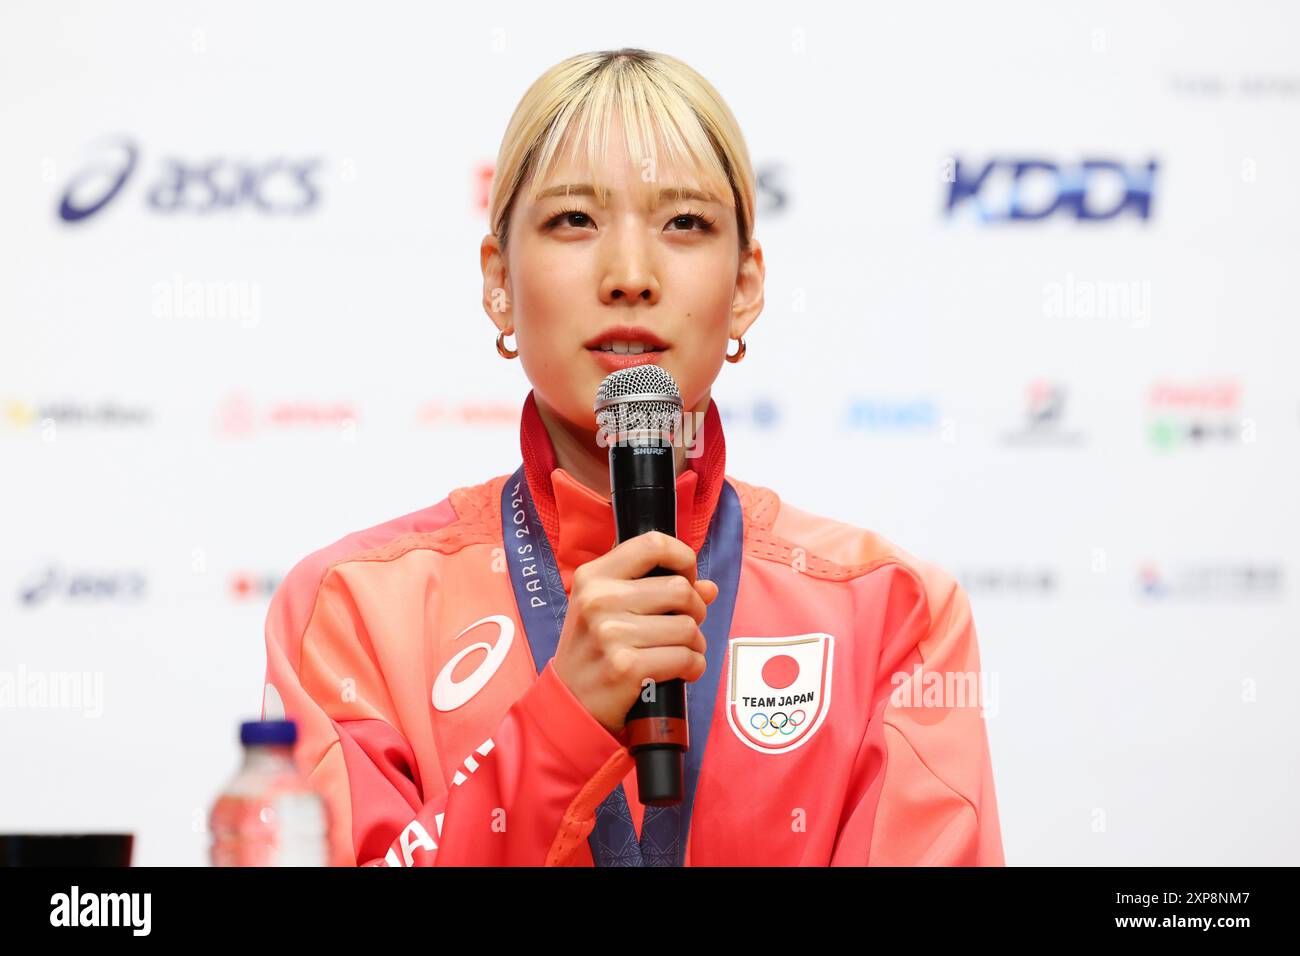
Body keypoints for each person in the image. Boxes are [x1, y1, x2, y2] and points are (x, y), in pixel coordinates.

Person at [260, 47, 1004, 867]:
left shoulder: (891, 613)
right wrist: (560, 723)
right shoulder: (353, 610)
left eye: (684, 223)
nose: (629, 276)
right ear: (498, 281)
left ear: (746, 287)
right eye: (574, 220)